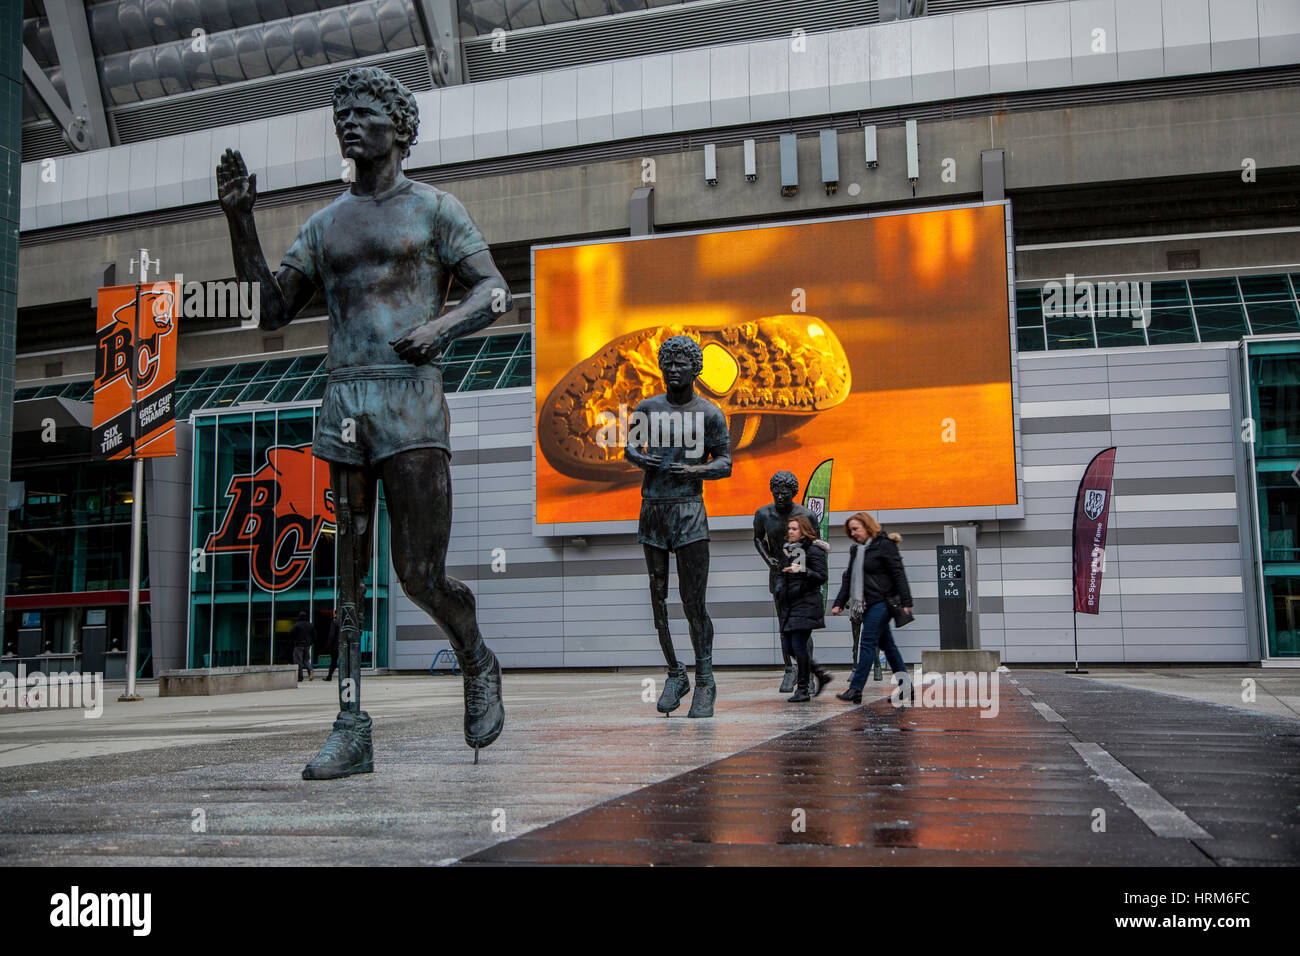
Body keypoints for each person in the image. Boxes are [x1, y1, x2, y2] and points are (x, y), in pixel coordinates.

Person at [218, 66, 509, 778]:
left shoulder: (437, 209)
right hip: (346, 402)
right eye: (340, 112)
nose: (349, 121)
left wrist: (442, 330)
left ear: (401, 128)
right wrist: (239, 219)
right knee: (346, 577)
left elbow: (495, 292)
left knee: (416, 574)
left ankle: (476, 657)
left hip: (410, 399)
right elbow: (269, 312)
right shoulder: (323, 225)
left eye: (365, 112)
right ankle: (351, 723)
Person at [625, 335, 732, 718]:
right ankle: (675, 671)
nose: (673, 369)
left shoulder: (710, 413)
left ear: (695, 369)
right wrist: (643, 460)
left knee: (693, 601)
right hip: (653, 509)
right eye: (667, 363)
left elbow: (725, 463)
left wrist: (694, 470)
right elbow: (630, 449)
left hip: (689, 511)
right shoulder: (647, 408)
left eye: (680, 364)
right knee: (658, 601)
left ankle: (705, 678)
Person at [752, 470, 829, 693]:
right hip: (779, 575)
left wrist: (810, 572)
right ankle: (791, 669)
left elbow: (816, 545)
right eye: (776, 493)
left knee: (802, 629)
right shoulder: (763, 514)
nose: (780, 497)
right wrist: (769, 559)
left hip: (803, 578)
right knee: (785, 628)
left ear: (793, 493)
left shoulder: (806, 515)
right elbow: (757, 538)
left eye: (785, 493)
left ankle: (806, 677)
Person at [833, 512, 913, 704]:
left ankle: (856, 688)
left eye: (856, 529)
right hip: (867, 604)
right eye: (850, 530)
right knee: (889, 647)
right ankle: (907, 688)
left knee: (867, 642)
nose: (853, 533)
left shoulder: (884, 545)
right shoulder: (857, 550)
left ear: (867, 527)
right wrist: (838, 602)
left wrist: (906, 601)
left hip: (883, 602)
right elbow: (849, 577)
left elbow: (898, 573)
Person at [774, 514, 832, 702]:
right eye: (789, 529)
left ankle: (803, 689)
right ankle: (820, 675)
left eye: (794, 529)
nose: (790, 532)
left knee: (798, 646)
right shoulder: (788, 551)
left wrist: (803, 570)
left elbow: (821, 576)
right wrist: (780, 588)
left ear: (803, 531)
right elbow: (782, 575)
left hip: (806, 604)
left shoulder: (813, 550)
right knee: (789, 646)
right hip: (790, 604)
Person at [290, 611, 315, 682]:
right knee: (306, 660)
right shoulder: (310, 625)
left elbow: (291, 633)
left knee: (298, 661)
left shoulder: (297, 625)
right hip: (307, 645)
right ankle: (310, 670)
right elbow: (314, 635)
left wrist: (294, 641)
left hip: (298, 645)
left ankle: (300, 677)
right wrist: (311, 642)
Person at [324, 613, 340, 682]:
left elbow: (331, 634)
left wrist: (328, 645)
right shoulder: (345, 621)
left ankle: (329, 676)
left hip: (335, 645)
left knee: (333, 661)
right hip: (344, 645)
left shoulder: (335, 622)